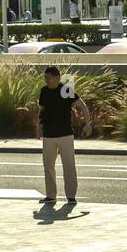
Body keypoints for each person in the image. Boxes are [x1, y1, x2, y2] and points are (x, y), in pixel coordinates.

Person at [38, 67, 92, 205]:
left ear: (57, 77)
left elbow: (83, 106)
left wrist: (88, 124)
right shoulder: (44, 91)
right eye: (45, 78)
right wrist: (38, 127)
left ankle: (71, 196)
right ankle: (51, 195)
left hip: (65, 135)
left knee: (68, 166)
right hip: (48, 135)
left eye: (49, 77)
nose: (47, 80)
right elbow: (41, 110)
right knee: (48, 166)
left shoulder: (66, 90)